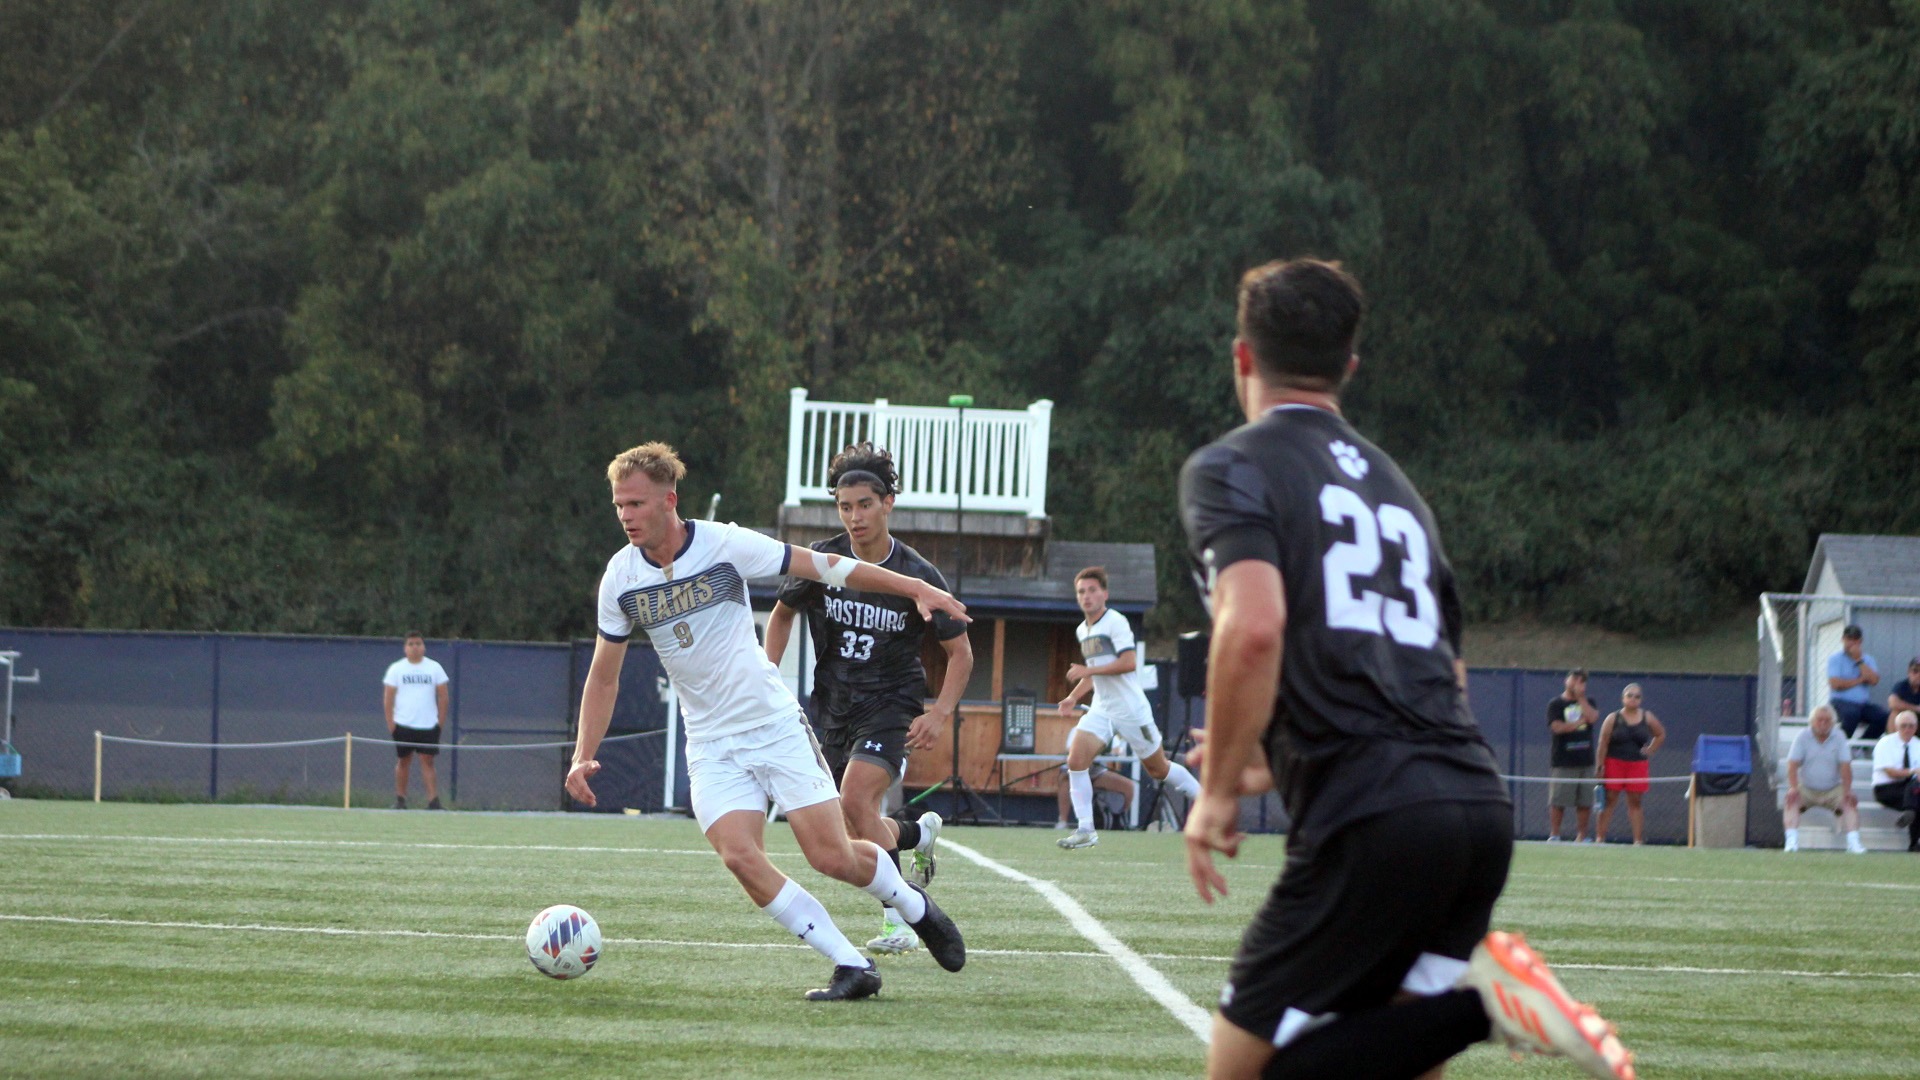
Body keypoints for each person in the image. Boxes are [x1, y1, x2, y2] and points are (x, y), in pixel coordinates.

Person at [1177, 257, 1632, 1080]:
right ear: (1350, 367)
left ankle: (1487, 1005)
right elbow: (1436, 686)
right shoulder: (1401, 492)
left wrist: (1212, 797)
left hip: (1373, 825)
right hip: (1471, 807)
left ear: (1241, 357)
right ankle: (1480, 1007)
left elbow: (1252, 630)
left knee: (1242, 1071)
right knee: (1396, 1062)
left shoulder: (1232, 466)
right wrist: (1266, 766)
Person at [566, 442, 967, 1001]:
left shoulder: (724, 544)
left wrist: (915, 586)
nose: (625, 516)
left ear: (669, 501)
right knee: (739, 855)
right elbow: (603, 676)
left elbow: (829, 567)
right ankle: (851, 964)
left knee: (831, 856)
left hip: (772, 724)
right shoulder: (620, 580)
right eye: (618, 506)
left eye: (635, 503)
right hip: (709, 741)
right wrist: (585, 750)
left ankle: (913, 905)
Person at [765, 441, 973, 956]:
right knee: (847, 824)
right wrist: (765, 677)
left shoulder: (919, 575)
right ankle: (916, 835)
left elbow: (961, 652)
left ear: (888, 504)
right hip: (833, 706)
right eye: (844, 505)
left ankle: (898, 918)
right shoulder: (822, 560)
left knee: (857, 802)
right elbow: (782, 614)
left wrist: (940, 712)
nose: (855, 516)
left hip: (891, 704)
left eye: (864, 504)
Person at [1055, 566, 1201, 849]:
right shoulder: (1082, 630)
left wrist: (1086, 670)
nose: (1087, 596)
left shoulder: (1116, 622)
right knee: (1075, 761)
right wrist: (1074, 697)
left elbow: (1128, 662)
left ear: (1105, 594)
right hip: (1102, 708)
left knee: (1158, 769)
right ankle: (1086, 829)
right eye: (1081, 591)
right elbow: (1096, 672)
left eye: (1092, 590)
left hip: (1131, 710)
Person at [1783, 704, 1866, 854]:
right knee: (1791, 800)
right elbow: (1792, 764)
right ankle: (1791, 842)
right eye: (1819, 720)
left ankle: (1854, 843)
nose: (1823, 724)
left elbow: (1845, 766)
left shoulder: (1839, 736)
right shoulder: (1802, 736)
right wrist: (1793, 788)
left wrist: (1848, 791)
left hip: (1833, 788)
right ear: (1812, 721)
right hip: (1807, 787)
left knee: (1850, 803)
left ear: (1833, 723)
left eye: (1827, 720)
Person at [382, 632, 449, 810]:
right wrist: (391, 724)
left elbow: (443, 697)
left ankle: (433, 801)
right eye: (411, 644)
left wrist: (439, 723)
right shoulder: (396, 669)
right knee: (404, 761)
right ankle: (400, 800)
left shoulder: (434, 668)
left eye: (418, 643)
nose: (415, 647)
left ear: (424, 647)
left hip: (428, 725)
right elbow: (388, 698)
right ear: (405, 648)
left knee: (428, 761)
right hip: (403, 724)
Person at [1592, 684, 1665, 845]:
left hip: (1637, 764)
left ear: (1641, 699)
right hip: (1614, 762)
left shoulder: (1647, 717)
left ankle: (1638, 840)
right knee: (1610, 799)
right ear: (1623, 698)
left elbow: (1660, 734)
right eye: (1630, 695)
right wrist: (1600, 766)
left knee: (1635, 801)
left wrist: (1651, 749)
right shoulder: (1613, 718)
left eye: (1637, 696)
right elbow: (1603, 742)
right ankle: (1600, 838)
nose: (1633, 699)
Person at [1546, 669, 1599, 842]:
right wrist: (1580, 722)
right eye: (1574, 679)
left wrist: (1581, 698)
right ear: (1566, 680)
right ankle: (1555, 835)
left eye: (1581, 681)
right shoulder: (1556, 704)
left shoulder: (1589, 701)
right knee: (1559, 800)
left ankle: (1582, 836)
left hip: (1585, 760)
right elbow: (1558, 728)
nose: (1577, 683)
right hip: (1563, 761)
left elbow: (1592, 717)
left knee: (1585, 801)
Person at [1868, 710, 1920, 852]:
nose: (1907, 729)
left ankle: (1910, 813)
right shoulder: (1885, 743)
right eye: (1904, 725)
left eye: (1911, 726)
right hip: (1886, 789)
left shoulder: (1918, 745)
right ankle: (1914, 843)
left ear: (1916, 727)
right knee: (1916, 797)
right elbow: (1890, 772)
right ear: (1897, 727)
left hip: (1912, 790)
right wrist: (1913, 771)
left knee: (1915, 797)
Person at [1827, 625, 1888, 739]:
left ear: (1860, 641)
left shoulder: (1868, 660)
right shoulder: (1835, 659)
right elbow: (1835, 684)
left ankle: (1860, 747)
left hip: (1862, 704)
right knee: (1852, 714)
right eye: (1848, 639)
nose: (1851, 642)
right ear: (1843, 639)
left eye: (1855, 639)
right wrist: (1861, 679)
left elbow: (1874, 680)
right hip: (1840, 702)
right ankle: (1841, 745)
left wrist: (1859, 660)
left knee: (1883, 716)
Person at [1053, 761, 1136, 830]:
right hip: (1074, 773)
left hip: (1097, 772)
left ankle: (1120, 819)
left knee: (1129, 787)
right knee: (1065, 780)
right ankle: (1063, 821)